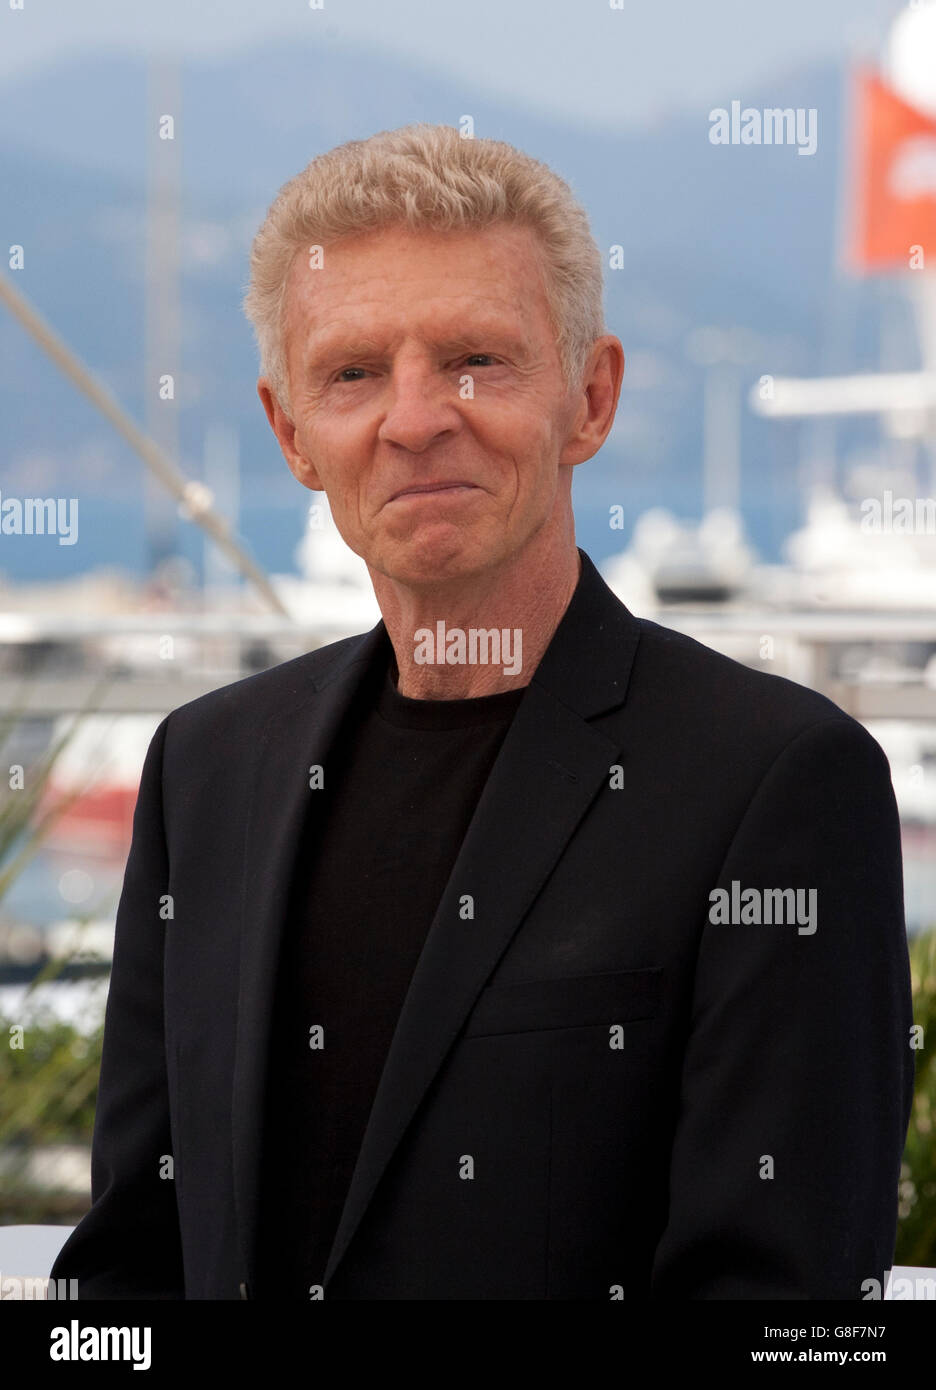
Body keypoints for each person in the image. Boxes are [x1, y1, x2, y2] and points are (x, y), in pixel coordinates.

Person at [51, 124, 913, 1300]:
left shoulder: (778, 782)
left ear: (590, 399)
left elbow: (781, 1307)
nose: (414, 419)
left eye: (474, 360)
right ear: (291, 432)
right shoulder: (206, 767)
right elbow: (131, 1265)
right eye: (353, 373)